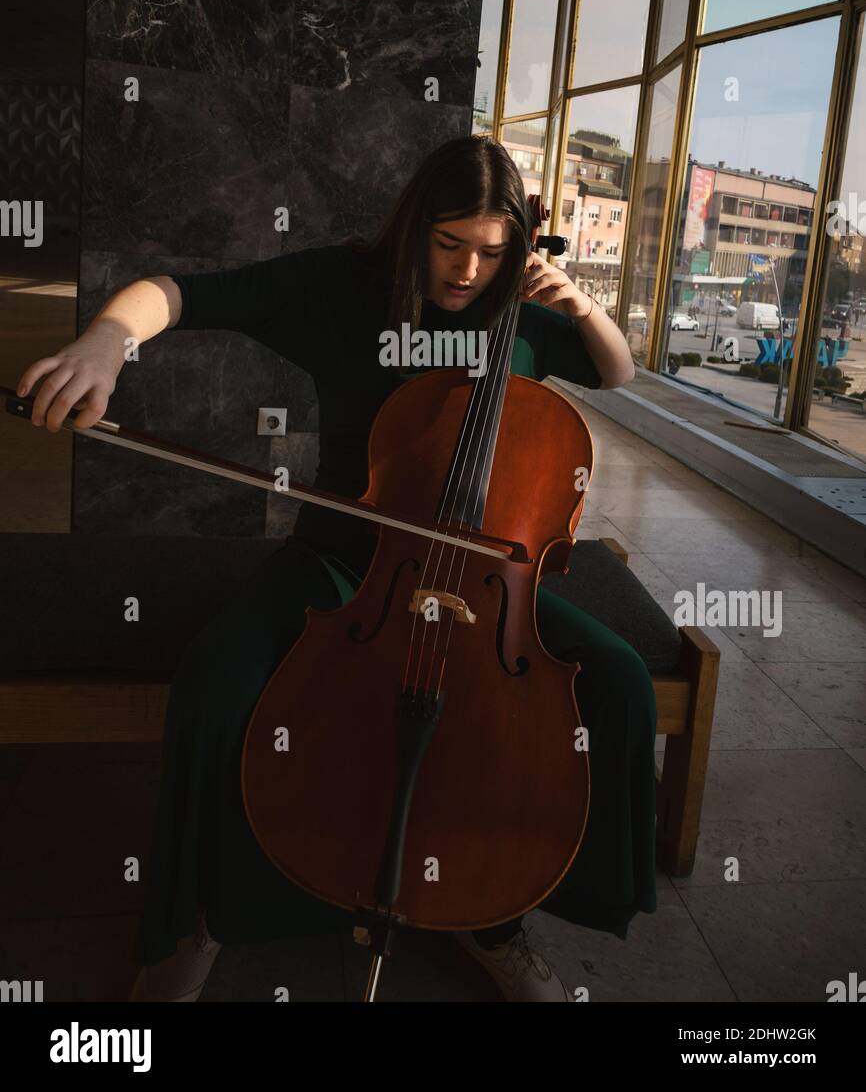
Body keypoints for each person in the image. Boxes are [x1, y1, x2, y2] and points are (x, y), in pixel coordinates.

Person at [16, 135, 656, 1003]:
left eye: (492, 252)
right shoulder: (342, 288)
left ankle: (497, 910)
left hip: (484, 591)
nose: (469, 270)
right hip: (344, 566)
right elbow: (177, 293)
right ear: (413, 228)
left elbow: (616, 371)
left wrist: (580, 307)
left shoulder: (519, 304)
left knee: (617, 681)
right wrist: (103, 343)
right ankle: (205, 914)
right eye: (449, 245)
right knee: (216, 681)